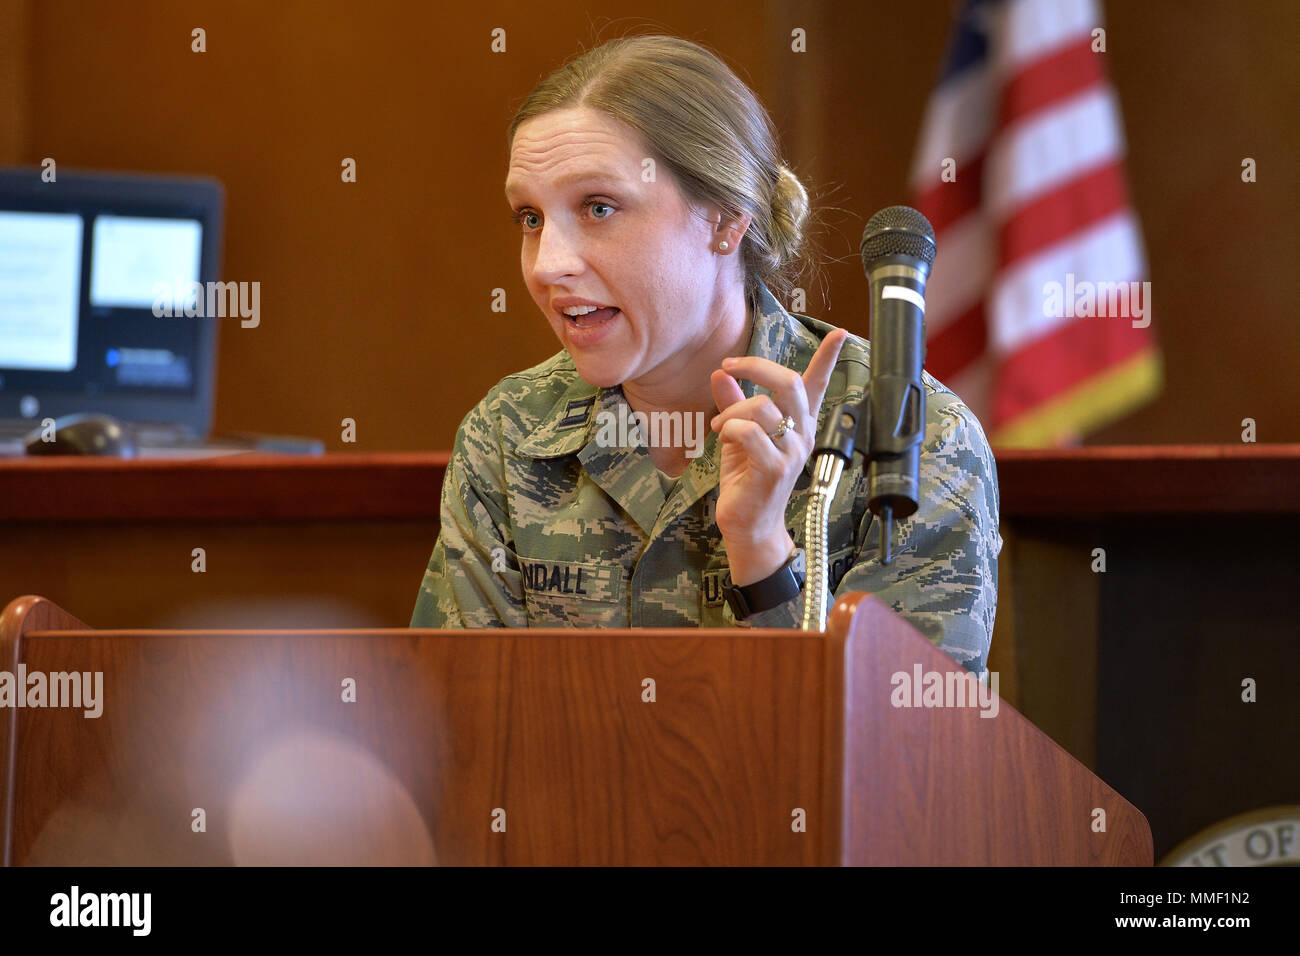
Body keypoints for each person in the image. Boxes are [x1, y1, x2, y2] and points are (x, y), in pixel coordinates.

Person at [410, 35, 1002, 675]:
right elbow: (456, 732)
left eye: (599, 207)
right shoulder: (508, 433)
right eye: (530, 218)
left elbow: (904, 754)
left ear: (724, 221)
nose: (549, 264)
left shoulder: (910, 441)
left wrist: (764, 553)